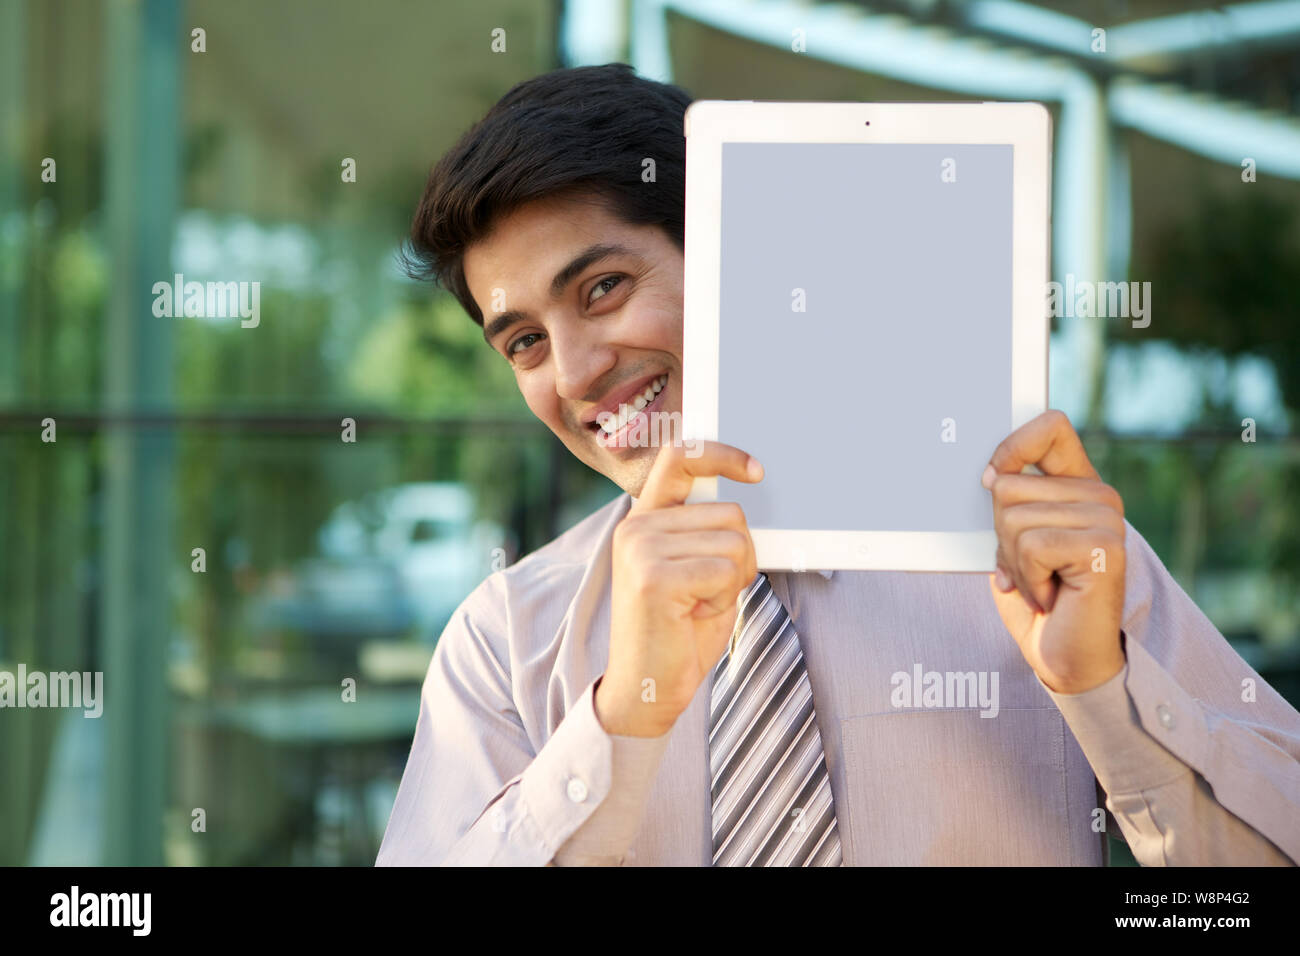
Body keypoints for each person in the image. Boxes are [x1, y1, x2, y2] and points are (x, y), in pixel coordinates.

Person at [376, 63, 1299, 866]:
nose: (576, 372)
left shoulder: (1046, 557)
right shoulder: (504, 643)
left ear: (743, 257)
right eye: (527, 342)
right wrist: (619, 720)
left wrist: (1105, 688)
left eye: (604, 288)